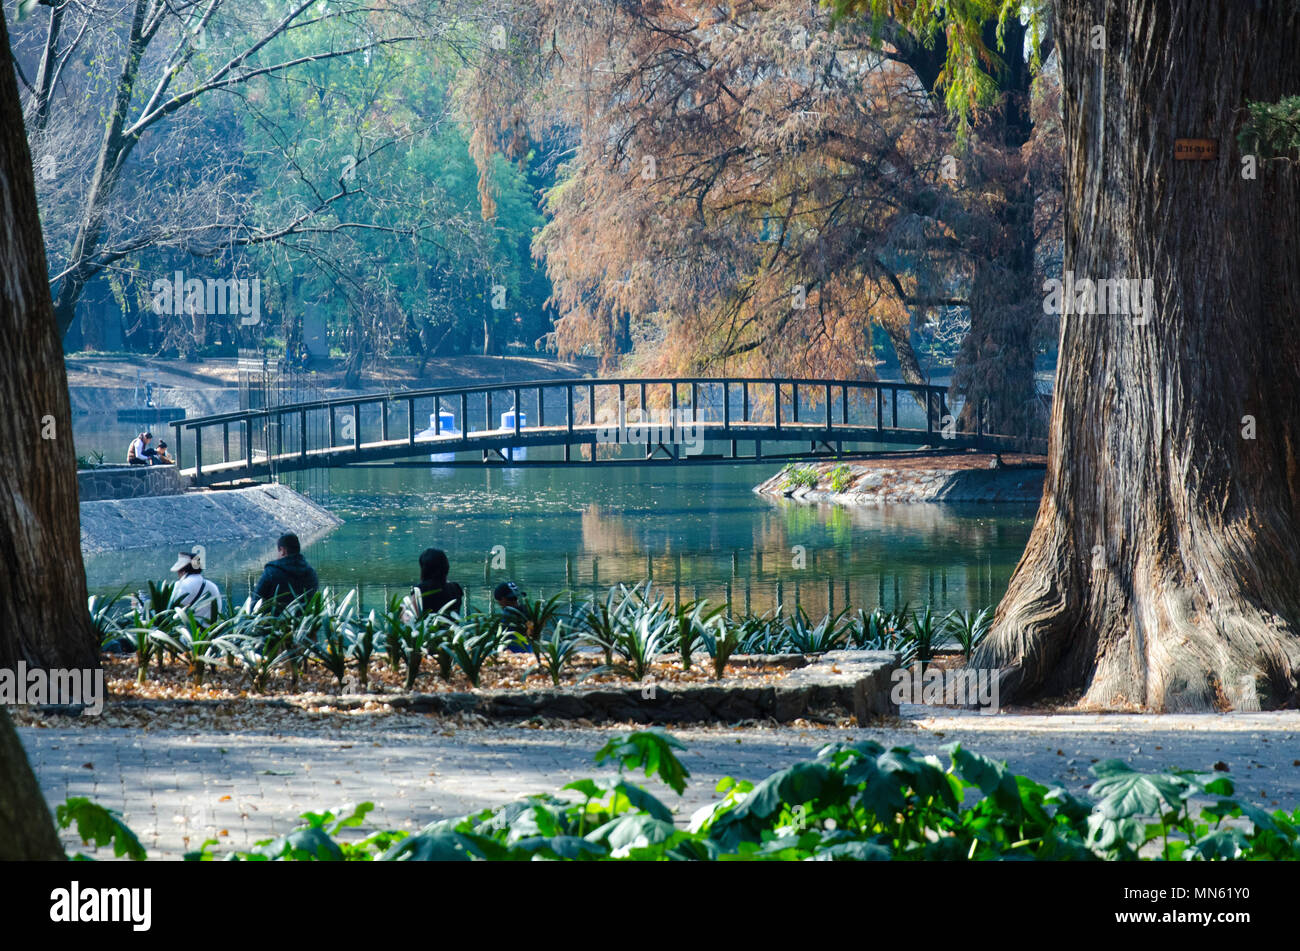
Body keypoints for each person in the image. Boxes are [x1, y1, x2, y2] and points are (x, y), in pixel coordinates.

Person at [254, 533, 319, 613]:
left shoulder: (271, 572)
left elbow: (256, 602)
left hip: (272, 623)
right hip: (302, 623)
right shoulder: (311, 573)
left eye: (278, 551)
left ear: (283, 551)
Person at [404, 548, 464, 621]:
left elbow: (415, 617)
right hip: (452, 630)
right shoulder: (455, 588)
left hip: (428, 631)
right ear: (445, 566)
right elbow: (456, 614)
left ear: (424, 568)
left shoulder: (419, 590)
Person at [168, 549, 223, 623]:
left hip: (188, 632)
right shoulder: (212, 586)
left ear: (183, 570)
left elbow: (171, 610)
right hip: (210, 630)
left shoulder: (180, 585)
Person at [493, 581, 530, 652]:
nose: (515, 602)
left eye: (516, 598)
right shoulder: (507, 618)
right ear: (500, 600)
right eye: (511, 599)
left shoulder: (523, 614)